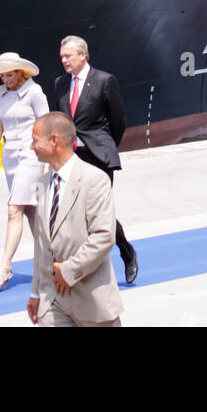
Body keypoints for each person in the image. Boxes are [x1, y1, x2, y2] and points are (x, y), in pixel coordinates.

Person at [27, 112, 123, 327]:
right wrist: (36, 292)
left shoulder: (94, 180)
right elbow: (41, 243)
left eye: (35, 140)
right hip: (52, 301)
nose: (31, 147)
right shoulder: (42, 183)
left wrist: (69, 271)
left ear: (54, 140)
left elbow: (104, 237)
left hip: (91, 299)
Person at [55, 36, 138, 283]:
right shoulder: (60, 83)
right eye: (61, 57)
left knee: (97, 212)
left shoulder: (104, 81)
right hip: (72, 158)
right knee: (73, 213)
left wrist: (105, 146)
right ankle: (85, 265)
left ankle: (125, 251)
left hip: (97, 157)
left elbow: (118, 121)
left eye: (68, 56)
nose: (64, 60)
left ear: (83, 55)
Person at [0, 51, 49, 291]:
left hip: (32, 156)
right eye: (2, 76)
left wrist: (50, 158)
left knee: (13, 209)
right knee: (31, 211)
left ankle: (4, 267)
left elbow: (47, 125)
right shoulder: (1, 93)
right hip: (11, 158)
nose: (5, 80)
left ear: (20, 72)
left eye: (9, 75)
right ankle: (49, 261)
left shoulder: (35, 92)